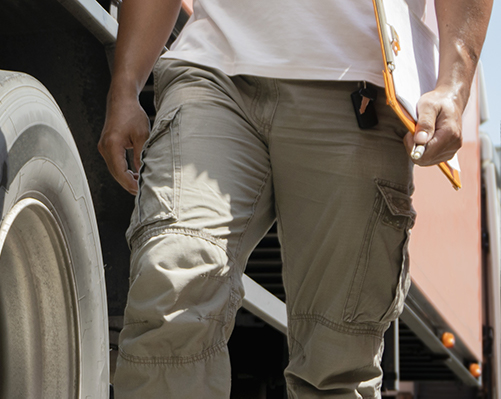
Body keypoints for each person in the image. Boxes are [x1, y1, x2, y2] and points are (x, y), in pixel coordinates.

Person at [97, 0, 492, 397]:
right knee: (173, 279)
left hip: (358, 89)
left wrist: (453, 88)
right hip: (214, 71)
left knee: (335, 362)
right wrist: (124, 87)